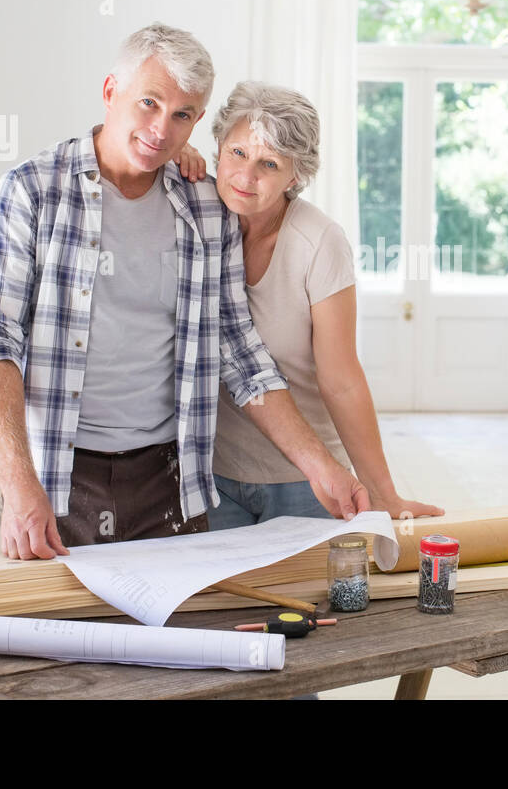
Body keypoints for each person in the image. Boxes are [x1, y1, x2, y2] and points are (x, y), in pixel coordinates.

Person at [0, 25, 370, 560]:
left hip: (171, 476)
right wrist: (17, 484)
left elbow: (240, 354)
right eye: (149, 103)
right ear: (110, 91)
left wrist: (322, 467)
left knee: (172, 636)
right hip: (60, 470)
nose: (159, 129)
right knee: (65, 639)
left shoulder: (204, 206)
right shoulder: (31, 191)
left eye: (182, 115)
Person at [174, 81, 442, 528]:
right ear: (218, 146)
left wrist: (382, 493)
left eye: (269, 164)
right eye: (237, 153)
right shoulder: (192, 213)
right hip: (211, 475)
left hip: (305, 479)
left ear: (295, 176)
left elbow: (342, 381)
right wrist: (175, 154)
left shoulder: (318, 242)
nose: (245, 176)